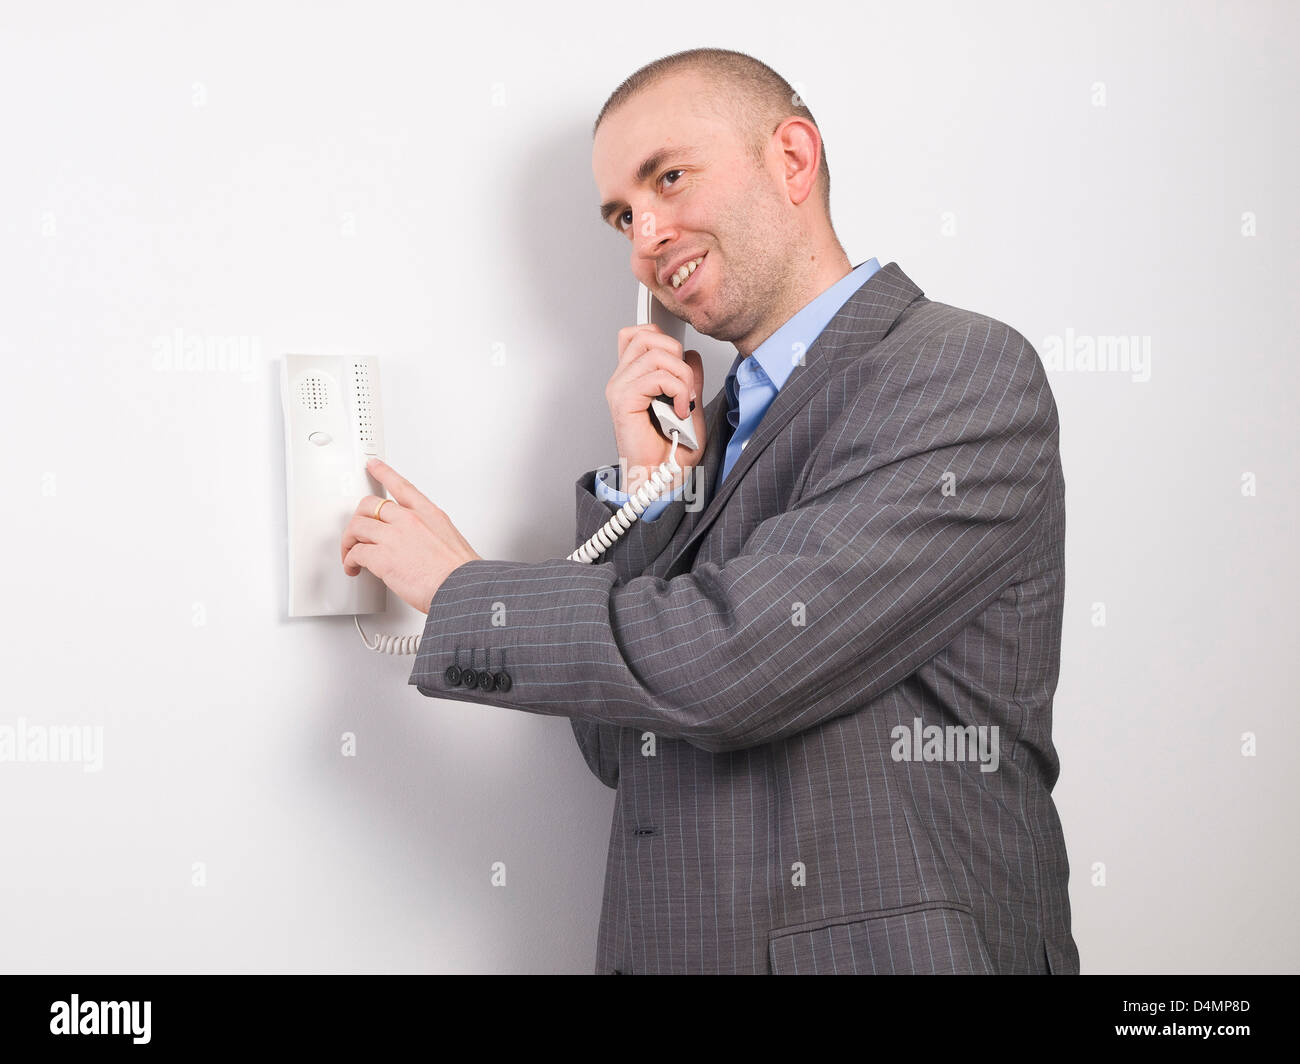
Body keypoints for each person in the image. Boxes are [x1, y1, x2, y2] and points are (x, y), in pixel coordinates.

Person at [341, 47, 1080, 975]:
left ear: (793, 160)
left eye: (670, 178)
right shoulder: (710, 431)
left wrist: (465, 591)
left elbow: (733, 660)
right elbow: (624, 746)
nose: (645, 233)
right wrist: (648, 490)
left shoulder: (957, 372)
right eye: (622, 216)